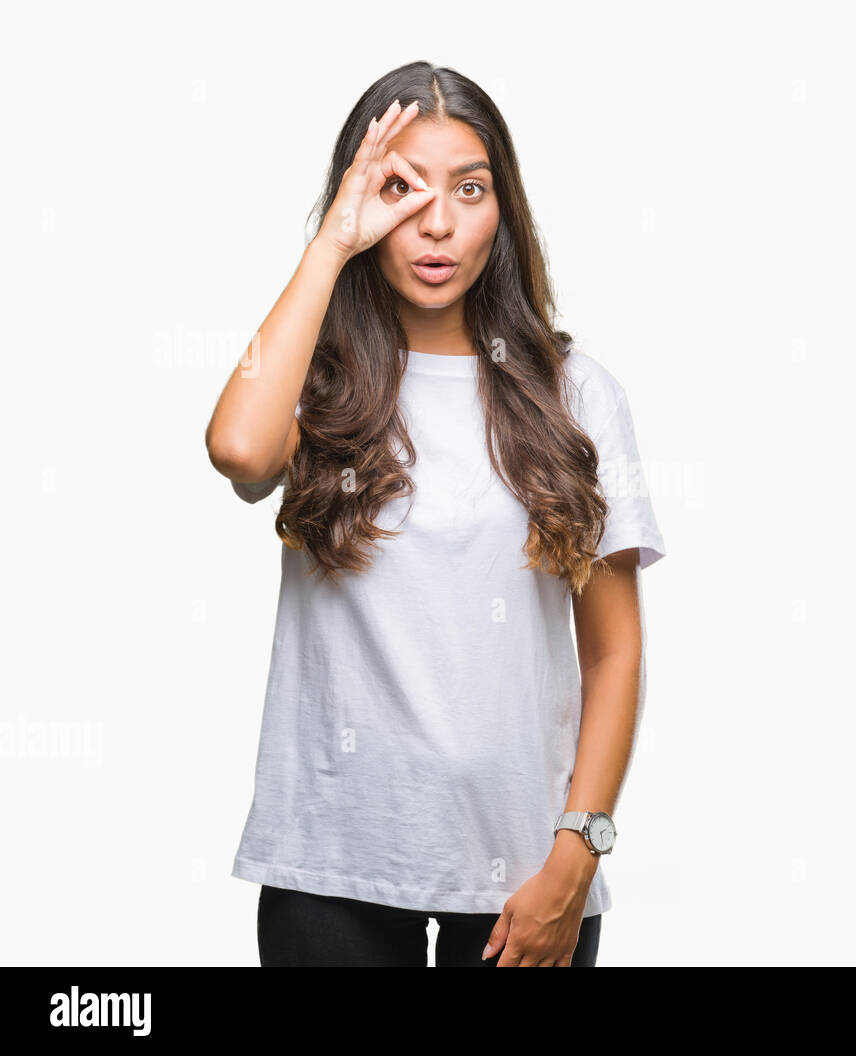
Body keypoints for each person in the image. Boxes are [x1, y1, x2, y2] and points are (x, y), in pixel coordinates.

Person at [205, 61, 666, 967]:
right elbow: (241, 450)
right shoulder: (315, 378)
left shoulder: (577, 394)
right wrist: (333, 242)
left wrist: (578, 856)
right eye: (400, 189)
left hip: (526, 875)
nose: (439, 223)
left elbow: (615, 650)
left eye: (470, 188)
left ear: (505, 207)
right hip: (328, 869)